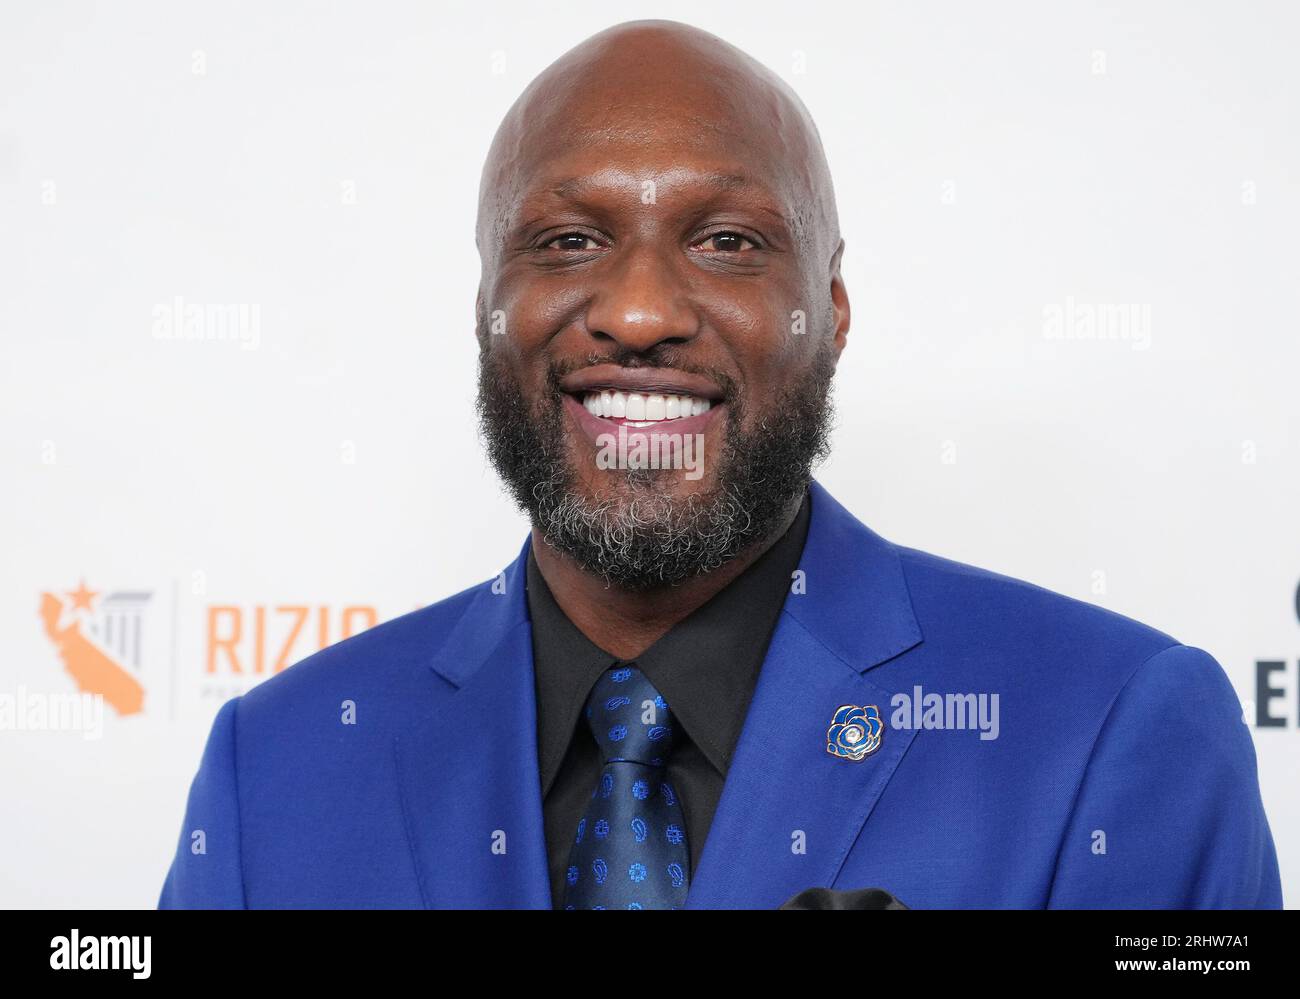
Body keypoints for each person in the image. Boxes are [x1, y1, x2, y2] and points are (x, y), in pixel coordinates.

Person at [159, 19, 1281, 910]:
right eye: (567, 241)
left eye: (727, 242)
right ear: (485, 307)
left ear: (830, 310)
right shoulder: (277, 771)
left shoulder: (1107, 729)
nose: (639, 311)